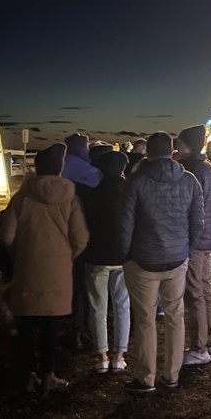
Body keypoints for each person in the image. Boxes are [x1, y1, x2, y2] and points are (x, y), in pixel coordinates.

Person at [0, 143, 90, 394]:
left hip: (28, 267)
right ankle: (48, 375)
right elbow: (80, 238)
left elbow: (6, 235)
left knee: (27, 323)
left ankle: (28, 374)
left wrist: (20, 254)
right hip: (58, 270)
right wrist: (65, 257)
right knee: (51, 325)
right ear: (60, 168)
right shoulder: (71, 198)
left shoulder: (22, 197)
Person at [118, 131, 203, 393]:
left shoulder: (136, 182)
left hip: (143, 260)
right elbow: (197, 221)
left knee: (145, 320)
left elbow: (126, 225)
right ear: (172, 151)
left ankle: (146, 377)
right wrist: (187, 249)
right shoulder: (189, 181)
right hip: (177, 258)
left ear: (148, 153)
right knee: (175, 316)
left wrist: (125, 254)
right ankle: (172, 374)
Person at [176, 125, 211, 368]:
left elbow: (192, 206)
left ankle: (199, 346)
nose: (177, 147)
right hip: (208, 237)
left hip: (196, 238)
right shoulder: (209, 168)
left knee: (194, 293)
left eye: (180, 143)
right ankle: (209, 341)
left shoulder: (192, 170)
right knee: (205, 289)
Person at [83, 151, 132, 375]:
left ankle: (102, 356)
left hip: (96, 256)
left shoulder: (91, 195)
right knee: (122, 306)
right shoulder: (131, 193)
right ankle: (119, 355)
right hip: (124, 256)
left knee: (98, 307)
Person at [63, 133, 101, 350]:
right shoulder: (88, 172)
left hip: (61, 234)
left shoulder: (62, 168)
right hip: (81, 232)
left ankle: (66, 322)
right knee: (80, 283)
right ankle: (78, 327)